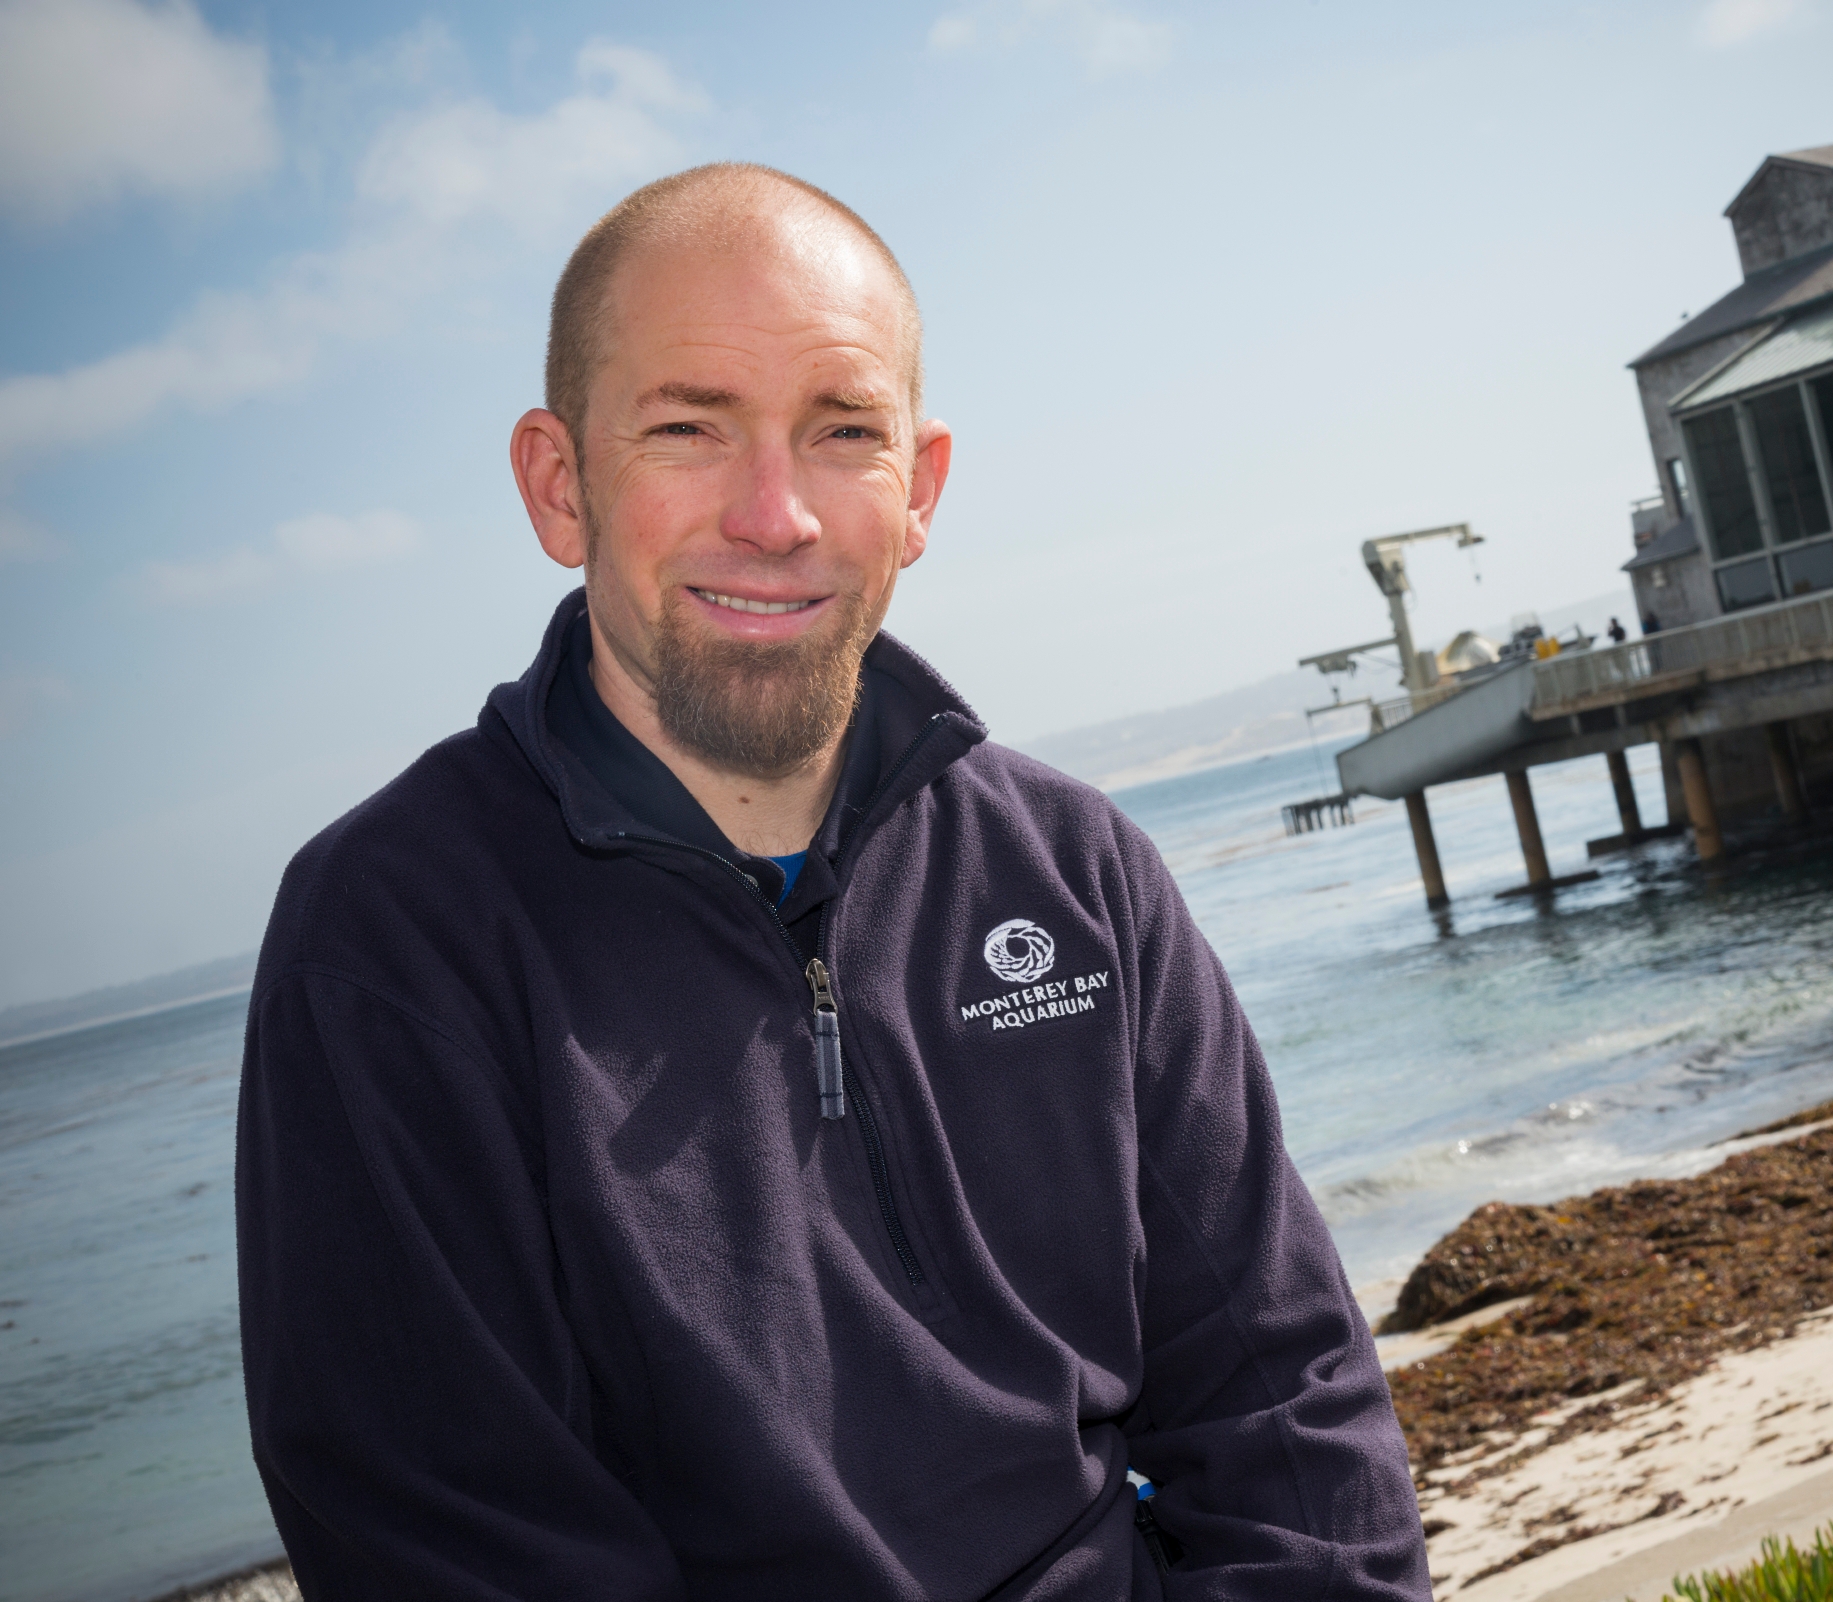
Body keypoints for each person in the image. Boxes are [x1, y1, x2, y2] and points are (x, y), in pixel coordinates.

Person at [237, 163, 1429, 1600]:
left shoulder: (1075, 872)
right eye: (689, 426)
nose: (776, 512)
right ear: (562, 484)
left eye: (841, 431)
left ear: (918, 489)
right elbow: (454, 1544)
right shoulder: (389, 942)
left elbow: (1287, 1404)